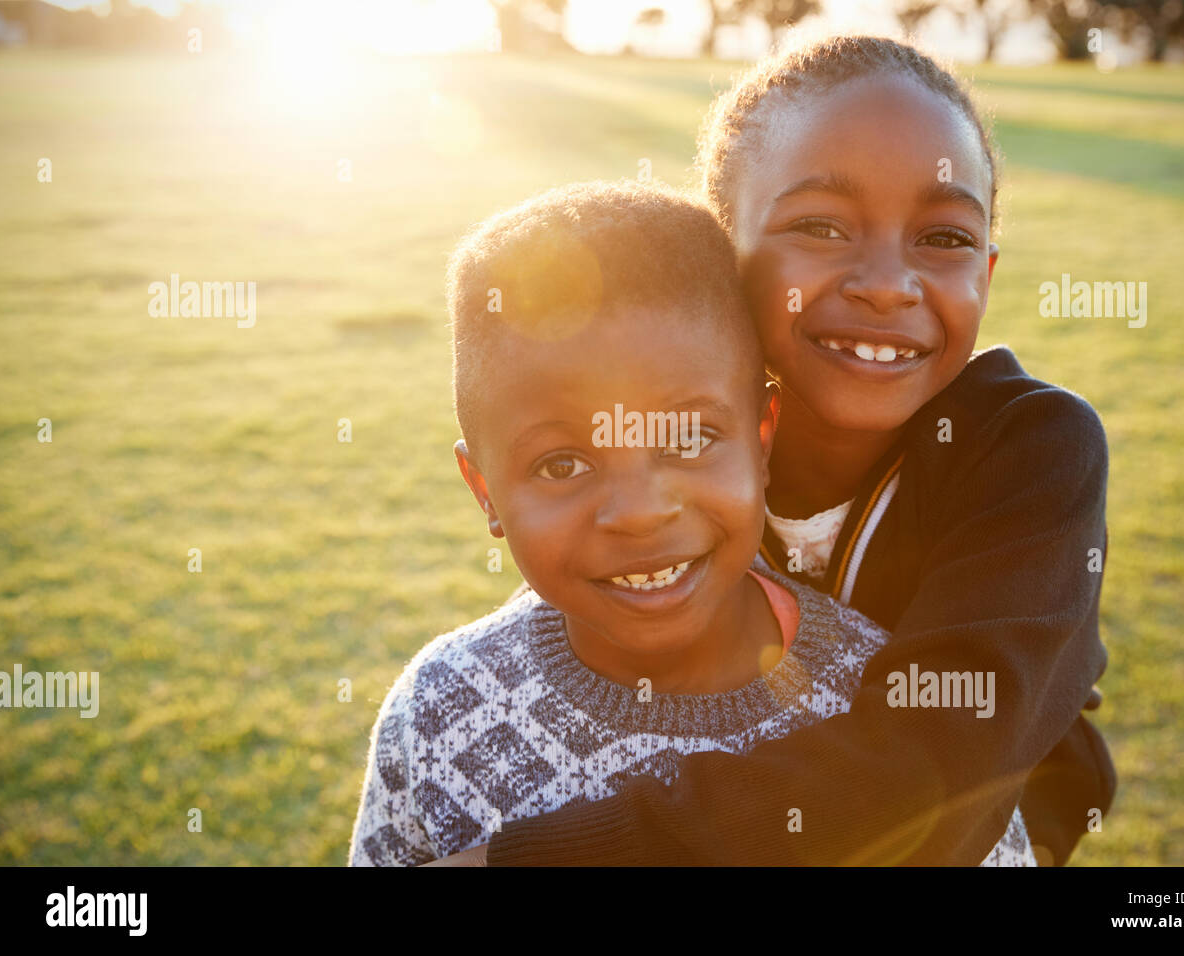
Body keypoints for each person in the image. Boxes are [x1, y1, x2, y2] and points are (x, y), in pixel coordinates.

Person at [476, 36, 1115, 867]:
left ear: (987, 274)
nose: (888, 283)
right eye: (819, 225)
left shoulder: (1032, 451)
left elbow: (933, 773)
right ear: (720, 255)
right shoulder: (658, 451)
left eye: (946, 239)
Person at [347, 180, 1035, 866]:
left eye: (688, 439)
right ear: (486, 491)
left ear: (762, 439)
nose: (641, 511)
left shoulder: (877, 710)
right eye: (561, 464)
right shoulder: (441, 709)